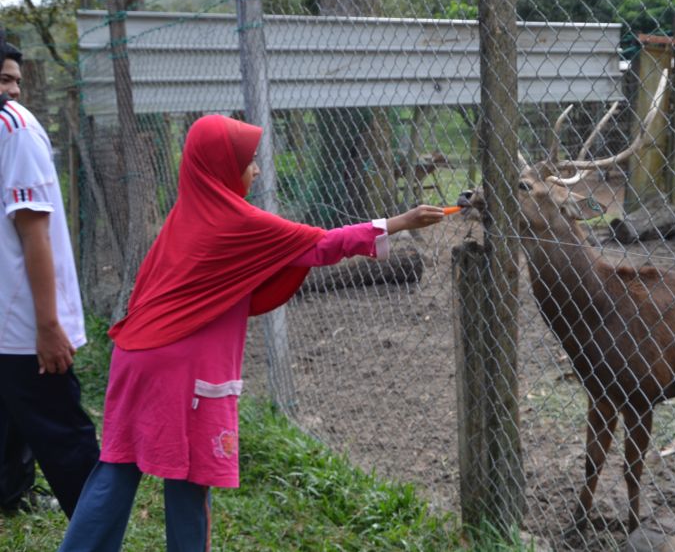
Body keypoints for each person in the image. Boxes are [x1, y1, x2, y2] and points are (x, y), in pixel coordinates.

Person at [59, 113, 446, 551]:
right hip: (183, 369)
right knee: (189, 483)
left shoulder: (185, 213)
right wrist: (398, 222)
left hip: (134, 357)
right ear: (222, 165)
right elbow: (317, 244)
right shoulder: (234, 220)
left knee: (116, 468)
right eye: (249, 160)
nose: (257, 169)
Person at [0, 42, 100, 517]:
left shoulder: (14, 130)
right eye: (4, 79)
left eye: (15, 79)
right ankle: (9, 494)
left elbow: (33, 230)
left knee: (61, 431)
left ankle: (96, 526)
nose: (14, 90)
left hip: (24, 322)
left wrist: (47, 325)